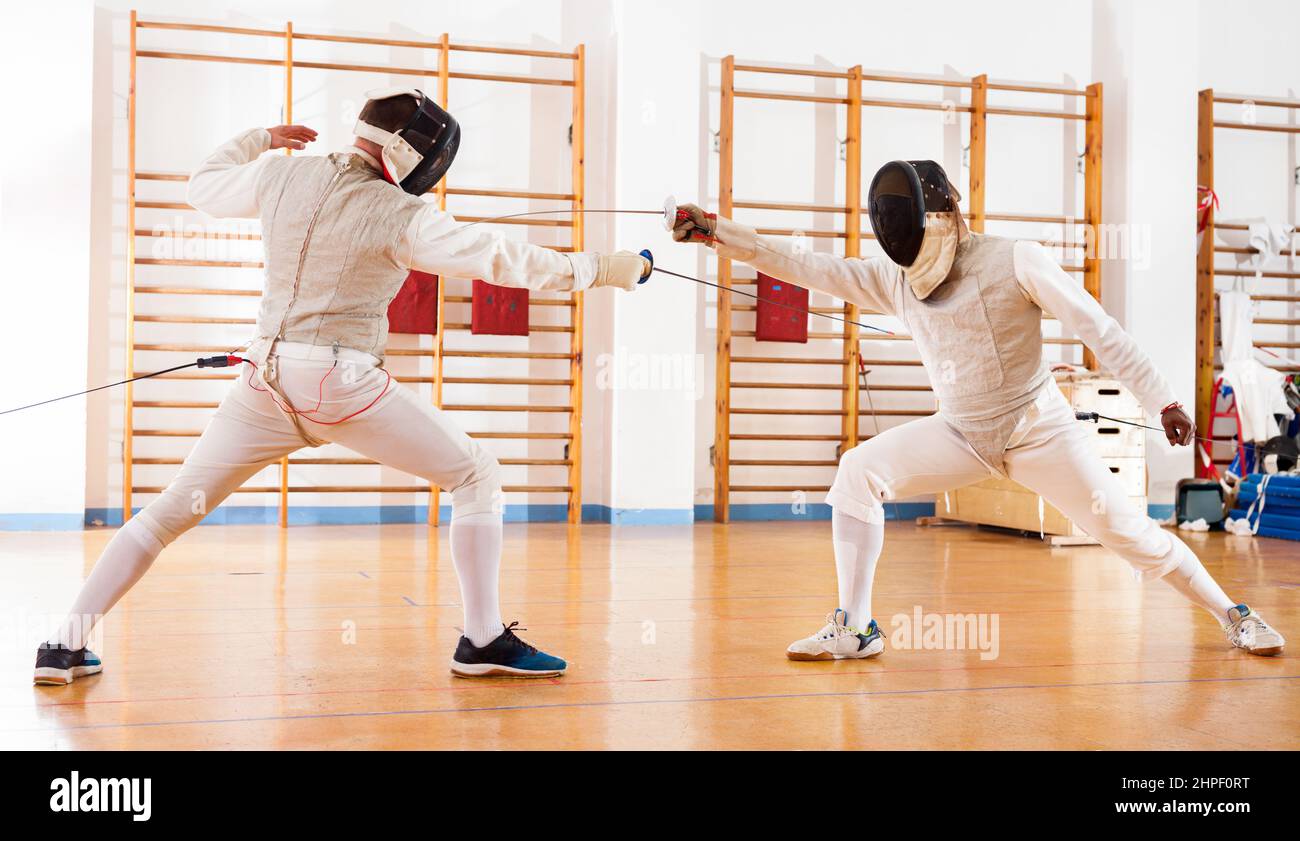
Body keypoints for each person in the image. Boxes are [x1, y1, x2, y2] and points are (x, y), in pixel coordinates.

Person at [35, 88, 650, 685]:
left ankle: (64, 644)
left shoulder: (279, 174)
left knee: (168, 512)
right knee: (476, 476)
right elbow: (500, 259)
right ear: (416, 156)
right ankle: (483, 639)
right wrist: (602, 269)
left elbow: (203, 186)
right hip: (340, 385)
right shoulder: (403, 213)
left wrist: (259, 139)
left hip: (262, 384)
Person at [672, 159, 1285, 661]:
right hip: (960, 433)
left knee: (1134, 538)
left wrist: (1165, 400)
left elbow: (1099, 329)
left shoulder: (1017, 258)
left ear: (946, 215)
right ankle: (856, 628)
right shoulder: (894, 276)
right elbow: (805, 265)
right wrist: (716, 232)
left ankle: (1234, 613)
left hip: (1039, 432)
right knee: (858, 471)